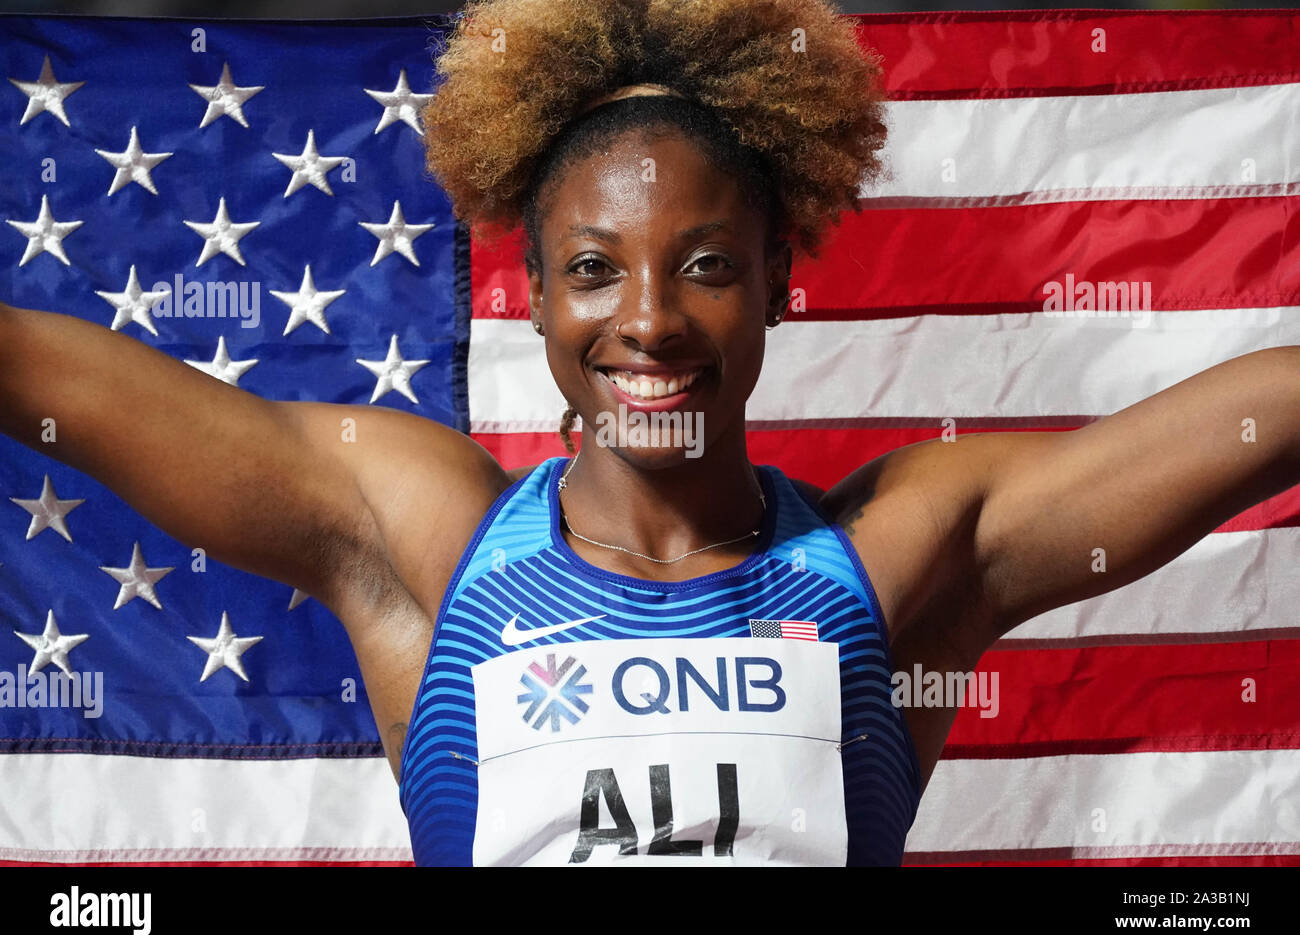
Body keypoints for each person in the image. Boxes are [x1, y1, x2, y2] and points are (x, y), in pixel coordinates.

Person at [2, 0, 1298, 865]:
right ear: (536, 295)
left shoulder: (897, 559)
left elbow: (1259, 415)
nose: (651, 321)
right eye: (594, 270)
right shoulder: (431, 544)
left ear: (782, 277)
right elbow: (61, 379)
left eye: (705, 266)